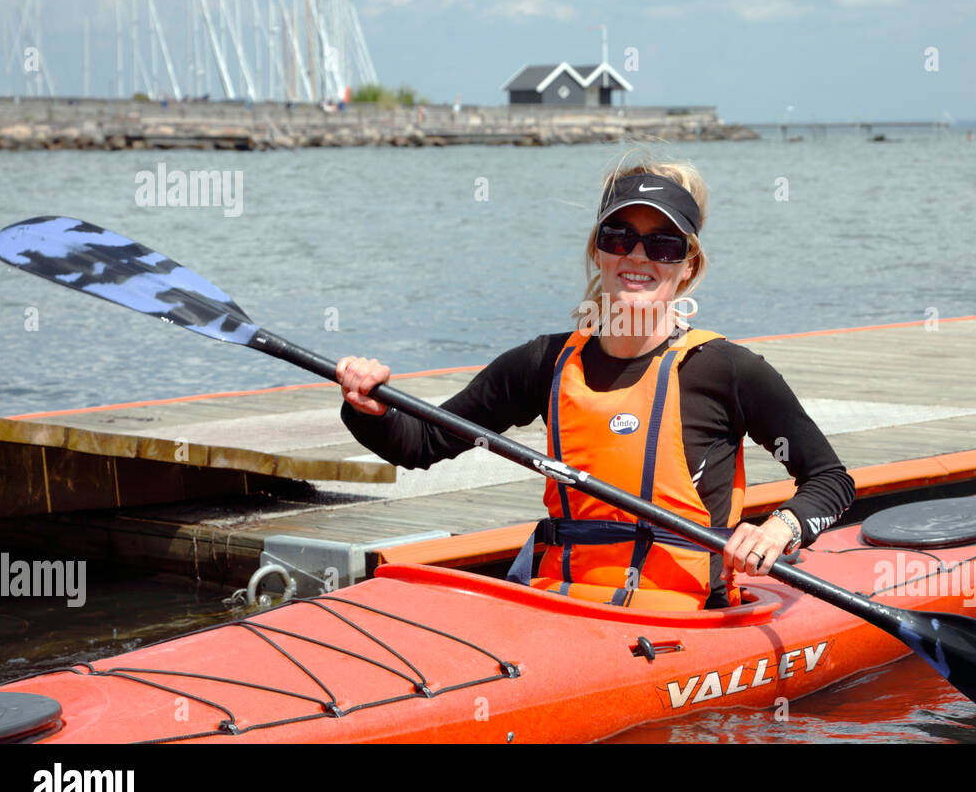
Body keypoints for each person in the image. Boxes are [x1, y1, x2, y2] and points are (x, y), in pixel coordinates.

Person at [336, 157, 855, 611]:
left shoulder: (728, 370)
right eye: (619, 237)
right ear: (598, 251)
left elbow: (831, 481)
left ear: (688, 266)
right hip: (565, 606)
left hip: (689, 618)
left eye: (664, 244)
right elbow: (419, 443)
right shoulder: (542, 364)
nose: (637, 256)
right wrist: (369, 405)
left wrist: (779, 528)